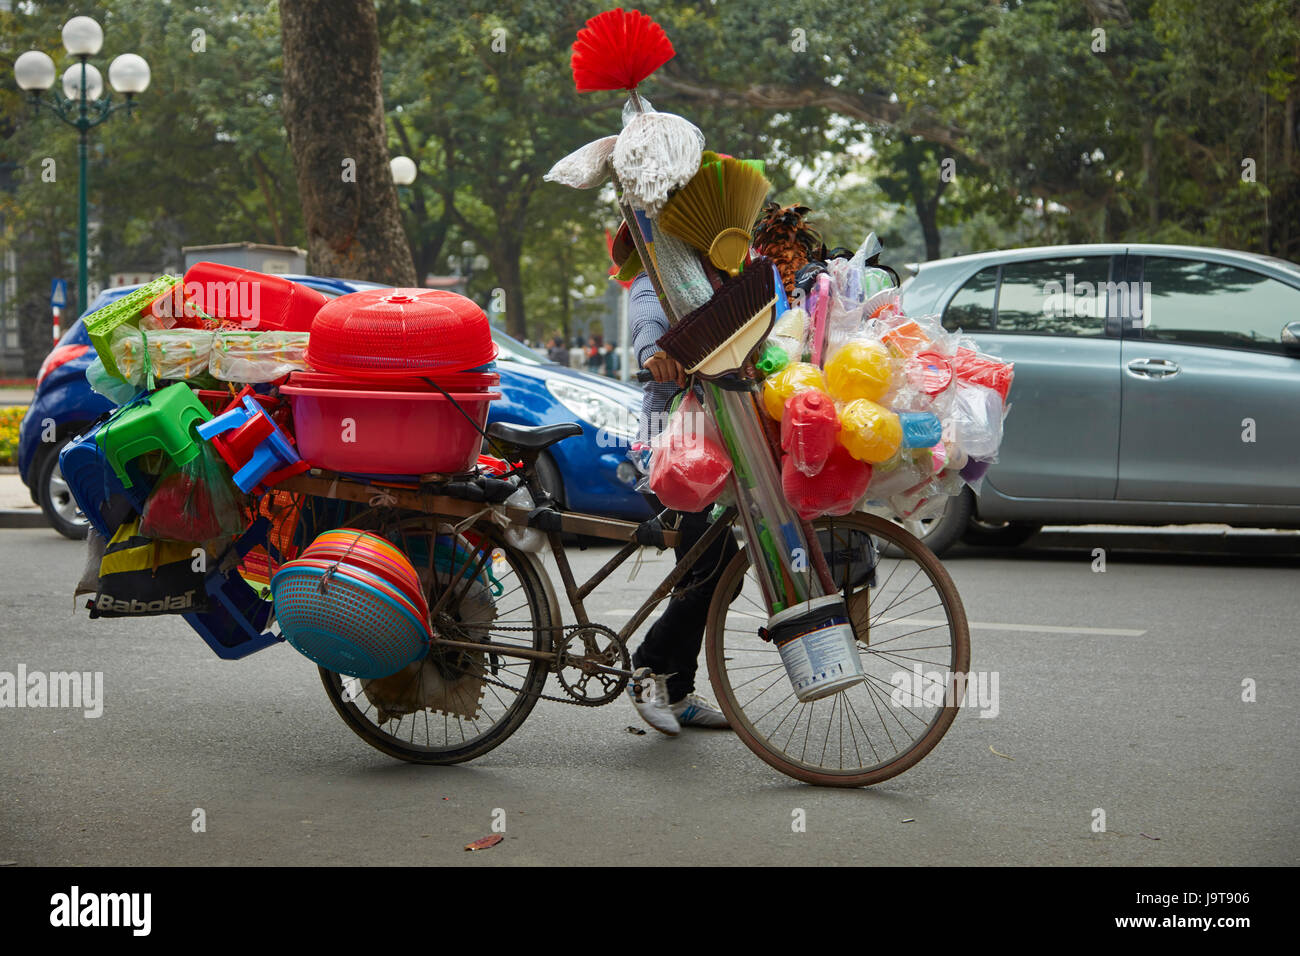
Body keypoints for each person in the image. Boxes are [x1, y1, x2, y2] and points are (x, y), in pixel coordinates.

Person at [622, 244, 736, 736]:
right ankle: (645, 669)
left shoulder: (719, 278)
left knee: (715, 566)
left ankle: (678, 690)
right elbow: (647, 324)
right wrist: (656, 354)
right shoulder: (657, 280)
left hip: (711, 442)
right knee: (709, 564)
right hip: (669, 447)